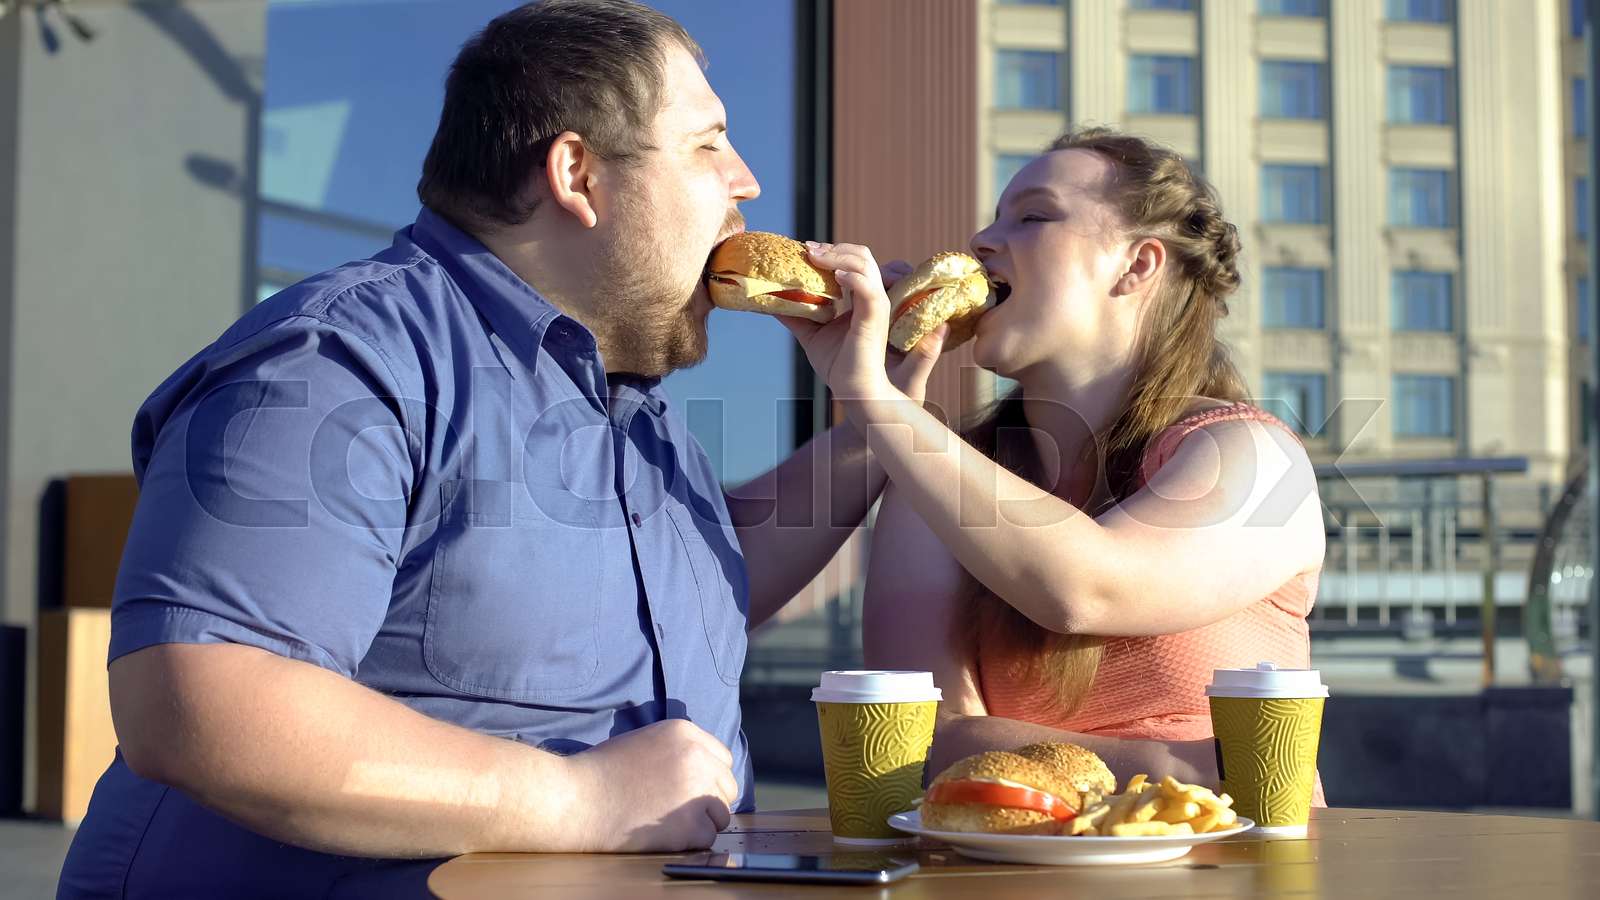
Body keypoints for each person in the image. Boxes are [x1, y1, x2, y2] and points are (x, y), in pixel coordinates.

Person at [57, 3, 956, 896]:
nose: (746, 182)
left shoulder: (629, 406)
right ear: (578, 176)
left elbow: (703, 592)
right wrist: (575, 800)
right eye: (707, 144)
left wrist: (873, 422)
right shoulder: (341, 358)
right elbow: (193, 697)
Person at [800, 128, 1325, 783]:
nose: (981, 240)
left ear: (1137, 266)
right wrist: (1192, 769)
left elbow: (1088, 587)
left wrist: (882, 407)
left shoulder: (1255, 454)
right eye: (994, 218)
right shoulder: (928, 480)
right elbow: (915, 739)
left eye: (1034, 217)